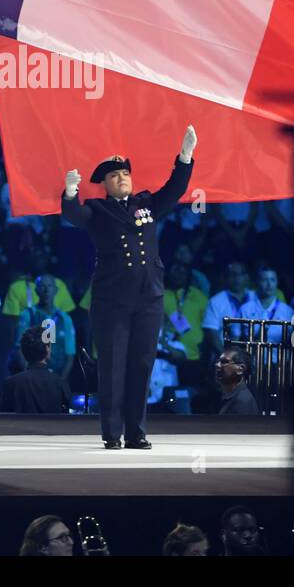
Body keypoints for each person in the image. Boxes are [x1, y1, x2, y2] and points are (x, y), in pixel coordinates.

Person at [60, 125, 196, 449]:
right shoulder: (97, 209)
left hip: (149, 296)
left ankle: (137, 432)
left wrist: (186, 157)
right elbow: (75, 215)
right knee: (112, 366)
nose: (122, 177)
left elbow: (174, 190)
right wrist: (69, 193)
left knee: (142, 364)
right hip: (112, 300)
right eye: (115, 175)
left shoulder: (146, 203)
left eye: (125, 173)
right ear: (105, 183)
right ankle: (112, 433)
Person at [0, 327, 72, 413]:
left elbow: (3, 419)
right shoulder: (60, 383)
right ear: (47, 349)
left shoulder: (10, 384)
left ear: (23, 351)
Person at [215, 349, 259, 414]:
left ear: (240, 369)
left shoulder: (243, 402)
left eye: (224, 362)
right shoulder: (225, 395)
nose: (217, 365)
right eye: (218, 361)